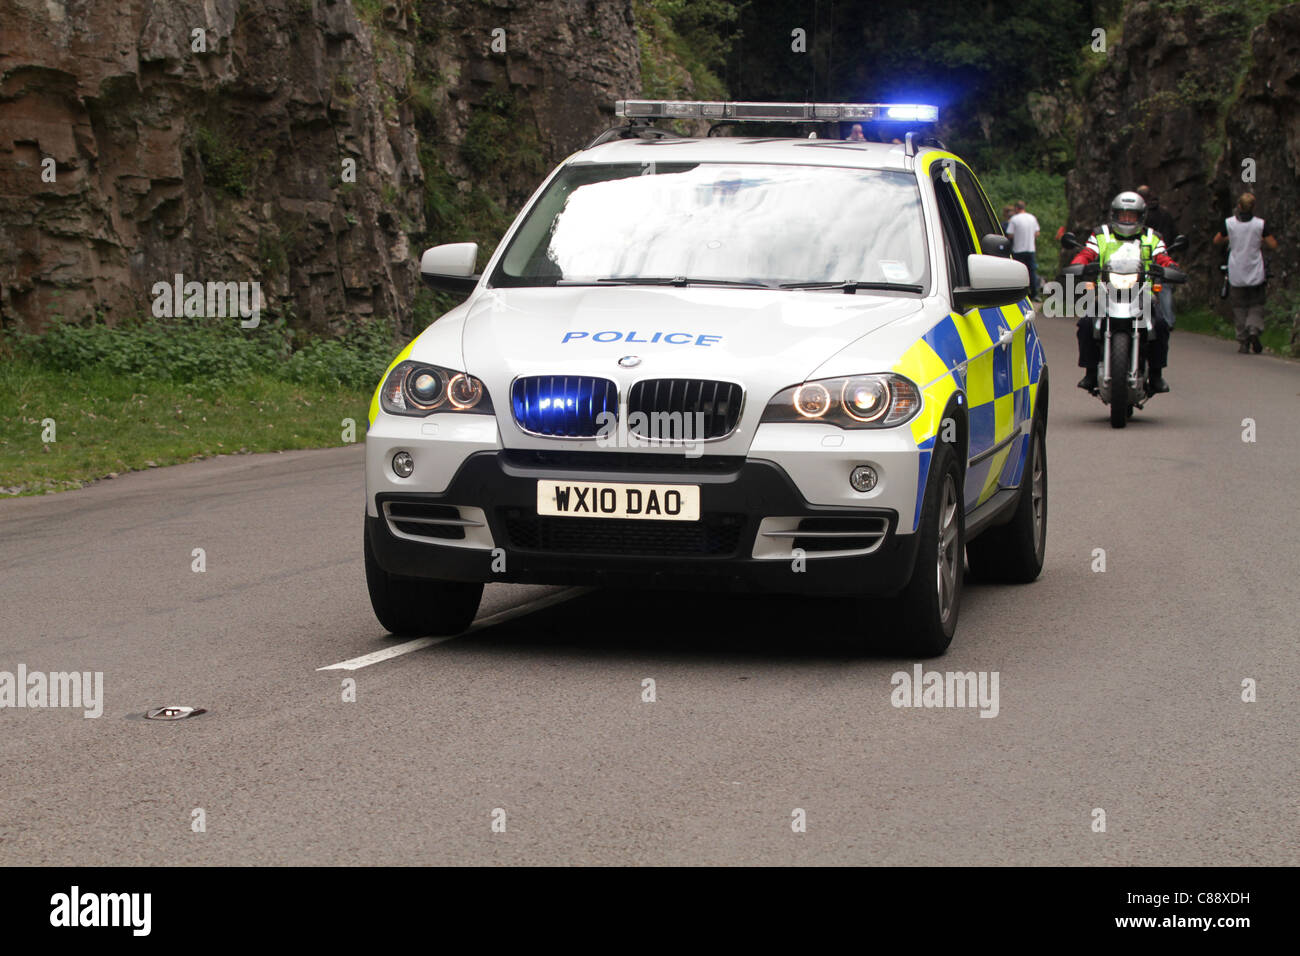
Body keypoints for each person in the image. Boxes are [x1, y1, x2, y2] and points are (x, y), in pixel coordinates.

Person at [1072, 191, 1181, 394]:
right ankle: (1090, 371)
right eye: (1123, 215)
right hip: (1106, 290)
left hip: (1143, 292)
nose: (1127, 219)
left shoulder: (1152, 237)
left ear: (1141, 217)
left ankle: (1156, 375)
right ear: (1114, 215)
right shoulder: (1100, 234)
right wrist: (1079, 264)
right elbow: (1086, 253)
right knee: (1086, 323)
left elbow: (1163, 257)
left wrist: (1171, 267)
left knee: (1161, 324)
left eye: (1131, 215)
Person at [1213, 192, 1278, 354]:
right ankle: (1254, 329)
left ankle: (1243, 341)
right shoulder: (1260, 225)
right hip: (1255, 270)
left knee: (1239, 306)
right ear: (1253, 207)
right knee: (1256, 304)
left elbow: (1217, 240)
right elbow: (1273, 244)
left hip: (1236, 270)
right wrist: (1260, 240)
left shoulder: (1229, 224)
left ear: (1239, 206)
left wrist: (1231, 239)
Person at [1137, 185, 1179, 330]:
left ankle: (1142, 315)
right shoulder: (1165, 213)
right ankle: (1168, 320)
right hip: (1164, 253)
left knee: (1140, 286)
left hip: (1142, 257)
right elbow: (1174, 233)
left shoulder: (1141, 217)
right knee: (1164, 288)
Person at [1007, 201, 1041, 297]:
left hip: (1018, 250)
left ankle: (1019, 294)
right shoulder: (1032, 218)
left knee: (1018, 273)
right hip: (1030, 249)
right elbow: (1037, 233)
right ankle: (1034, 294)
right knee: (1032, 271)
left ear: (1017, 208)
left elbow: (1010, 234)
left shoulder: (1014, 219)